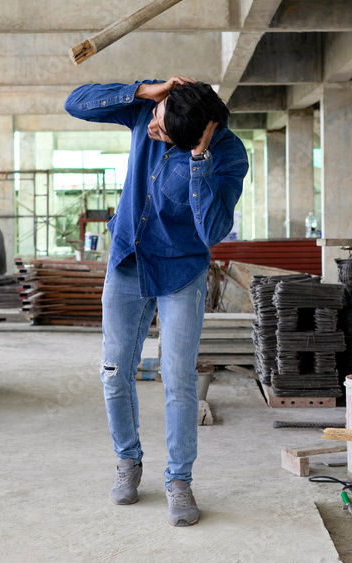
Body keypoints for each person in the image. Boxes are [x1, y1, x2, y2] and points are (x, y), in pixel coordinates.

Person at [64, 77, 249, 527]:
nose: (151, 128)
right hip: (128, 258)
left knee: (179, 379)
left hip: (180, 272)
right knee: (114, 371)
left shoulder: (228, 156)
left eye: (162, 131)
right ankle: (128, 461)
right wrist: (146, 92)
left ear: (190, 142)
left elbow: (211, 233)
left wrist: (199, 161)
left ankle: (178, 479)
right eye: (155, 118)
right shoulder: (155, 108)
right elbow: (76, 103)